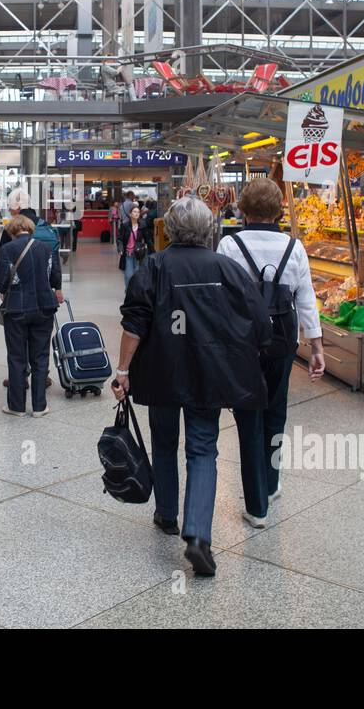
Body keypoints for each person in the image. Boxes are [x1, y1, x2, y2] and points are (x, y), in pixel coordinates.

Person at [114, 196, 273, 577]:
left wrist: (122, 370)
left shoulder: (153, 266)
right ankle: (199, 535)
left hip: (162, 372)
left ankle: (167, 515)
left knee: (164, 442)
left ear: (169, 229)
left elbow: (134, 323)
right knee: (203, 449)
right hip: (210, 374)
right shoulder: (228, 269)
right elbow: (261, 326)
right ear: (209, 230)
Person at [217, 178, 326, 527]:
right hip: (282, 338)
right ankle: (272, 481)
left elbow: (221, 299)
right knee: (276, 410)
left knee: (249, 416)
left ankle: (256, 506)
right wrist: (317, 346)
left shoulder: (229, 245)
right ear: (279, 210)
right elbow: (306, 299)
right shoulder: (295, 248)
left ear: (243, 209)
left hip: (242, 341)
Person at [0, 214, 63, 417]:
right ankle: (40, 406)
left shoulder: (8, 249)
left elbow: (1, 280)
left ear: (13, 231)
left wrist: (5, 288)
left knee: (16, 357)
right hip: (44, 308)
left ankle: (17, 406)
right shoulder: (46, 248)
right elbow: (54, 276)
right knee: (41, 357)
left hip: (16, 309)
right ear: (30, 229)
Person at [116, 201, 151, 287]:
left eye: (138, 212)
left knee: (137, 275)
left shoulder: (142, 225)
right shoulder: (125, 226)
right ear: (130, 214)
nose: (136, 214)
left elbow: (147, 240)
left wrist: (153, 251)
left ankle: (135, 293)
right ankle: (128, 293)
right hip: (128, 254)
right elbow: (120, 239)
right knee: (128, 275)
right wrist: (120, 248)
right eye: (134, 212)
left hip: (138, 254)